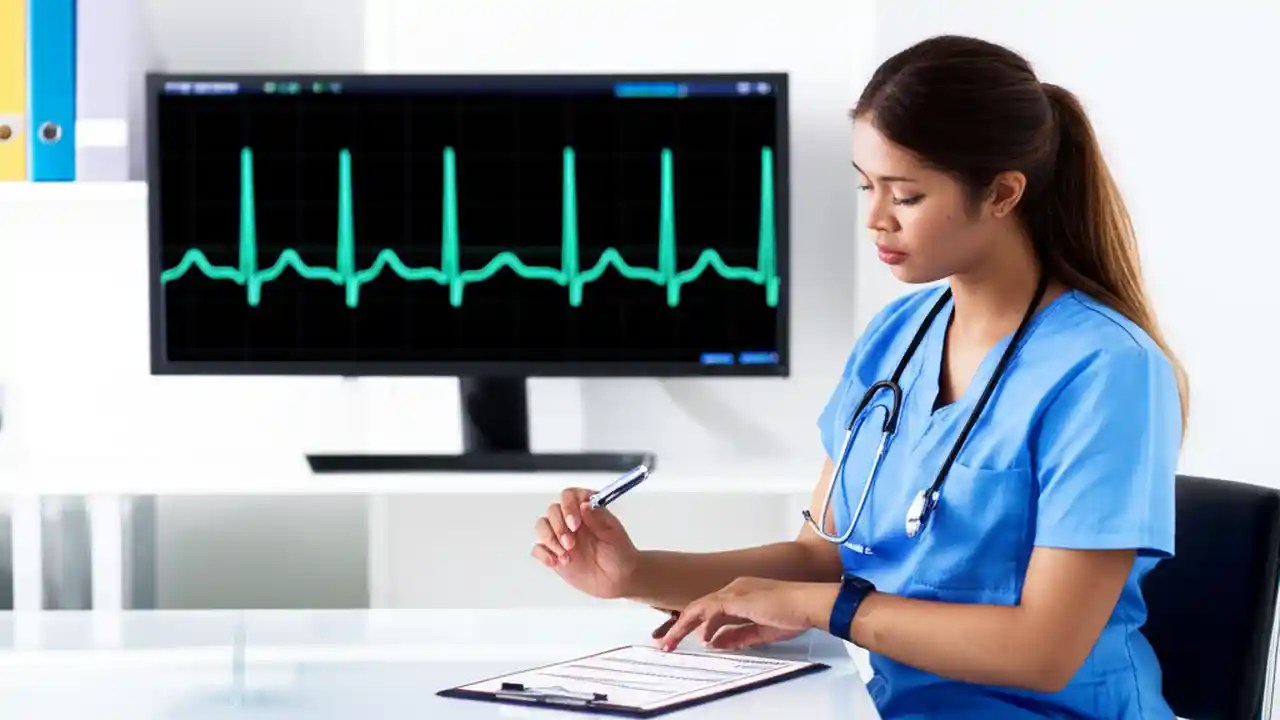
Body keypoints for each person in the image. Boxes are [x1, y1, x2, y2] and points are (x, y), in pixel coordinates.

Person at [530, 34, 1188, 720]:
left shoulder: (1107, 370)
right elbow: (822, 558)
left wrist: (826, 610)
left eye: (905, 195)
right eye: (866, 185)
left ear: (1001, 194)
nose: (875, 218)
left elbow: (1045, 650)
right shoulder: (897, 339)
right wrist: (635, 574)